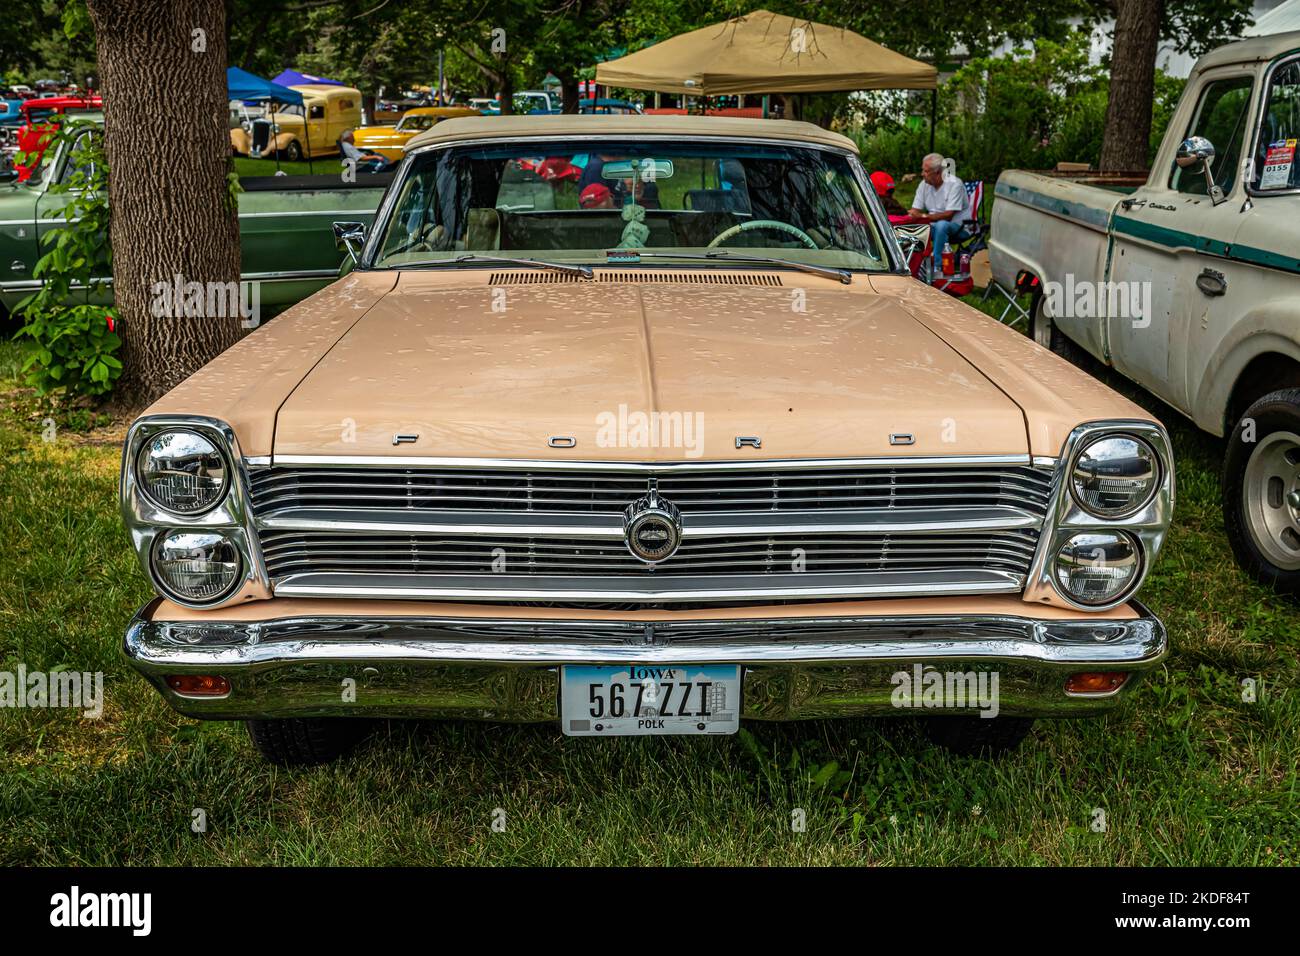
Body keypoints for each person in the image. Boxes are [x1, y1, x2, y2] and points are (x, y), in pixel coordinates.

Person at [908, 153, 969, 272]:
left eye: (925, 171)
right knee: (914, 226)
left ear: (937, 172)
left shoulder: (955, 184)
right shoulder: (924, 185)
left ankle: (937, 267)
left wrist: (922, 216)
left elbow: (948, 215)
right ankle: (914, 265)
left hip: (960, 227)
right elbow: (915, 210)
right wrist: (912, 216)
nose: (922, 174)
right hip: (935, 225)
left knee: (942, 225)